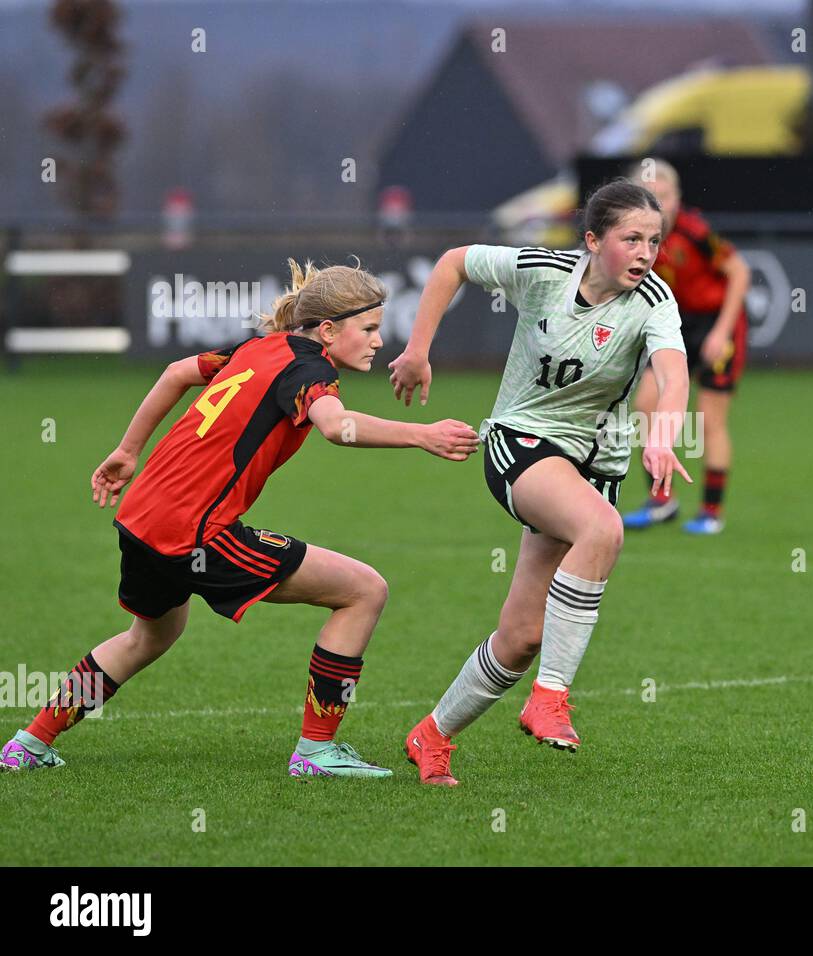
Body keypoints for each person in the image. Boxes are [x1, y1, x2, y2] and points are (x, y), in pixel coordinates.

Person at [1, 259, 480, 778]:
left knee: (148, 636)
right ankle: (316, 752)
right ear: (327, 330)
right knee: (365, 591)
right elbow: (336, 426)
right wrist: (421, 435)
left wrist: (127, 451)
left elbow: (176, 372)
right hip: (196, 533)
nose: (379, 340)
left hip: (142, 517)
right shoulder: (307, 367)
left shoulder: (259, 347)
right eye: (369, 328)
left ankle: (29, 742)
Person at [389, 179, 691, 786]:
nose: (645, 253)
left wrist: (663, 434)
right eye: (631, 239)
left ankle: (431, 736)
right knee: (603, 528)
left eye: (654, 241)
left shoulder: (654, 300)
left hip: (594, 464)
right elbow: (453, 263)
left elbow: (674, 371)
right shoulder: (543, 269)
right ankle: (549, 697)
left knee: (522, 636)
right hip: (520, 440)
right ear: (591, 240)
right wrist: (419, 349)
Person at [621, 158, 750, 534]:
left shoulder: (695, 231)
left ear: (678, 198)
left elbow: (739, 272)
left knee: (710, 419)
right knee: (645, 403)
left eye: (666, 195)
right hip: (673, 324)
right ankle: (662, 501)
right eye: (650, 196)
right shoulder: (633, 238)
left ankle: (710, 512)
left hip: (715, 322)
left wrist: (721, 331)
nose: (660, 204)